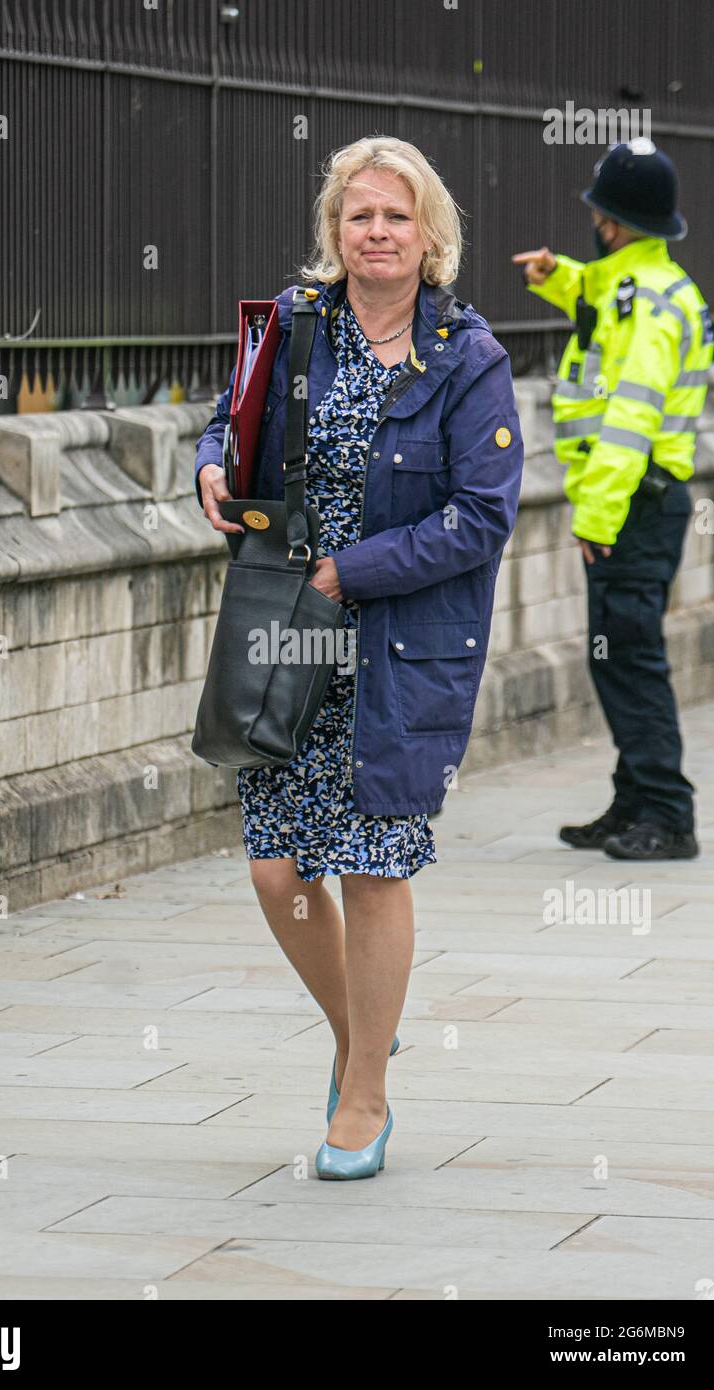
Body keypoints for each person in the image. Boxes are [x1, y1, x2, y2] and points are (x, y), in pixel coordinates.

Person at [195, 136, 523, 1179]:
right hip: (282, 626)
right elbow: (225, 423)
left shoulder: (467, 356)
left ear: (428, 235)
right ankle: (357, 1039)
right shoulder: (295, 325)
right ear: (333, 230)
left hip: (394, 643)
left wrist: (352, 572)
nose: (373, 233)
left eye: (394, 216)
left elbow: (480, 517)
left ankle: (365, 1091)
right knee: (276, 865)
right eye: (356, 216)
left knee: (374, 868)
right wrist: (210, 468)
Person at [512, 139, 714, 862]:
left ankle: (668, 814)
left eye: (598, 211)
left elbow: (630, 418)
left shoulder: (645, 307)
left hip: (632, 503)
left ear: (611, 219)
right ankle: (635, 802)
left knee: (629, 658)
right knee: (619, 656)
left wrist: (597, 515)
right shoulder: (645, 285)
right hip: (644, 503)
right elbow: (597, 293)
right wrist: (556, 278)